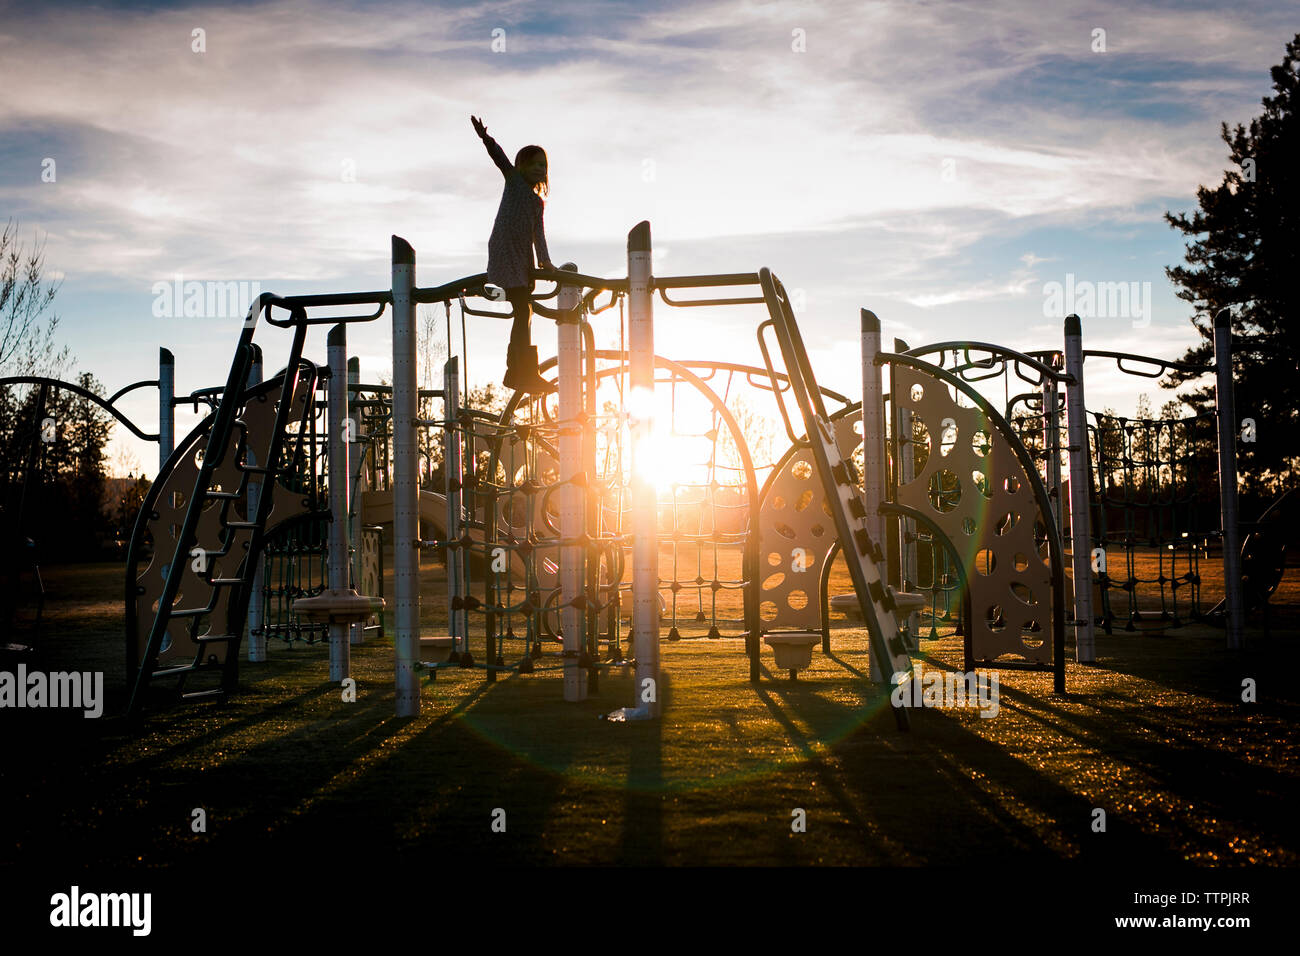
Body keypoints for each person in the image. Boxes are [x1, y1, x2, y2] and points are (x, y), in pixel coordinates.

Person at [470, 115, 557, 395]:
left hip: (522, 259)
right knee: (524, 310)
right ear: (521, 167)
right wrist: (485, 137)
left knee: (524, 311)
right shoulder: (514, 182)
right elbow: (500, 158)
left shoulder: (536, 202)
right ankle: (522, 372)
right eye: (533, 164)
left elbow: (538, 235)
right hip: (505, 252)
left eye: (542, 165)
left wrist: (545, 262)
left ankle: (516, 371)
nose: (538, 169)